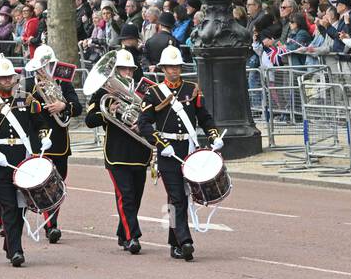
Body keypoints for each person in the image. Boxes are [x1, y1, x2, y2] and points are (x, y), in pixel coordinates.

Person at [138, 46, 221, 261]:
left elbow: (204, 117)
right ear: (164, 68)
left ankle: (174, 242)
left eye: (177, 66)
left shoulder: (191, 89)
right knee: (177, 197)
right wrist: (159, 143)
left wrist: (214, 135)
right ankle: (185, 241)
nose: (174, 70)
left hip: (189, 151)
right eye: (170, 67)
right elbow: (144, 123)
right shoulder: (154, 93)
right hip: (167, 151)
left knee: (181, 196)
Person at [0, 59, 45, 267]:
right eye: (2, 78)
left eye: (9, 77)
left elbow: (39, 123)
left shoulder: (26, 99)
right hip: (0, 161)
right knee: (8, 206)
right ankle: (16, 250)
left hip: (22, 160)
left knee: (22, 207)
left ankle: (10, 244)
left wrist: (44, 137)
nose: (7, 80)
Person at [84, 49, 152, 254]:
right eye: (122, 69)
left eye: (129, 69)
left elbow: (154, 116)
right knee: (126, 195)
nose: (127, 73)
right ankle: (133, 237)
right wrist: (108, 113)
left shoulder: (144, 92)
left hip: (139, 151)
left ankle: (123, 233)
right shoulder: (102, 93)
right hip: (117, 152)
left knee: (136, 196)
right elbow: (89, 120)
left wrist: (142, 123)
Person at [24, 44, 82, 243]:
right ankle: (51, 226)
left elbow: (78, 107)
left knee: (59, 183)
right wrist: (40, 106)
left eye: (48, 64)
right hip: (40, 139)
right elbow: (26, 110)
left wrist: (63, 105)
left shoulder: (63, 82)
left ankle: (50, 222)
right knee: (43, 184)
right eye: (42, 66)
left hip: (60, 140)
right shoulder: (30, 84)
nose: (45, 69)